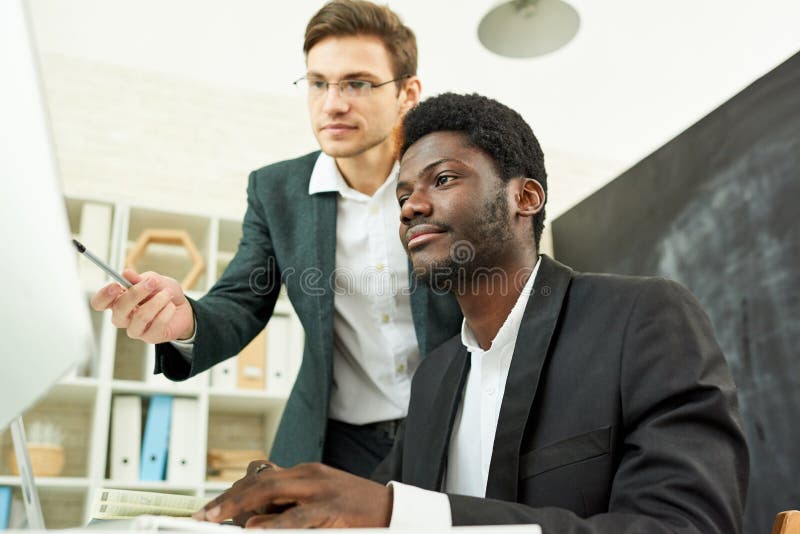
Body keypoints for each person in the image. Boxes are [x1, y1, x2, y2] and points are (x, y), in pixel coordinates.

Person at [192, 93, 750, 532]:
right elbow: (379, 510)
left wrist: (396, 514)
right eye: (403, 193)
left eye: (444, 179)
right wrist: (293, 504)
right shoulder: (435, 376)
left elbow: (686, 527)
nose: (410, 205)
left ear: (524, 198)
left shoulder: (641, 318)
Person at [89, 0, 461, 477]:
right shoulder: (276, 191)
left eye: (358, 83)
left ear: (408, 93)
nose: (333, 103)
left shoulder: (450, 178)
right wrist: (185, 322)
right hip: (336, 443)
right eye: (318, 83)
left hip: (453, 426)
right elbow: (241, 302)